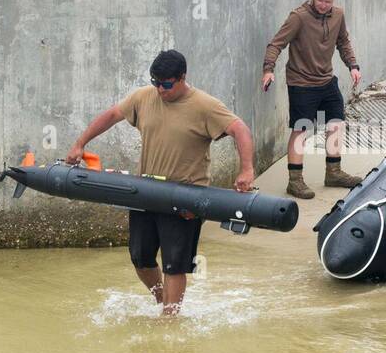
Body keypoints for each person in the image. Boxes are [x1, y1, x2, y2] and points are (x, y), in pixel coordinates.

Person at [66, 50, 255, 317]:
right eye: (156, 83)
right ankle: (161, 299)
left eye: (167, 84)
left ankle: (170, 318)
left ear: (182, 78)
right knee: (140, 258)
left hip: (185, 197)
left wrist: (246, 169)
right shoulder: (144, 97)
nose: (161, 90)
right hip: (146, 193)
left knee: (174, 264)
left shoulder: (204, 105)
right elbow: (111, 115)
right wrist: (80, 143)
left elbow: (240, 129)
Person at [262, 0, 362, 199]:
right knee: (301, 129)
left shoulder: (337, 15)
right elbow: (276, 44)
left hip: (326, 79)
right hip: (301, 82)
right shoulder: (299, 17)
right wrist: (268, 69)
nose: (324, 5)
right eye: (320, 0)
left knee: (336, 124)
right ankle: (295, 181)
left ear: (334, 0)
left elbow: (343, 41)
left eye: (328, 2)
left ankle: (333, 172)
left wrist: (353, 65)